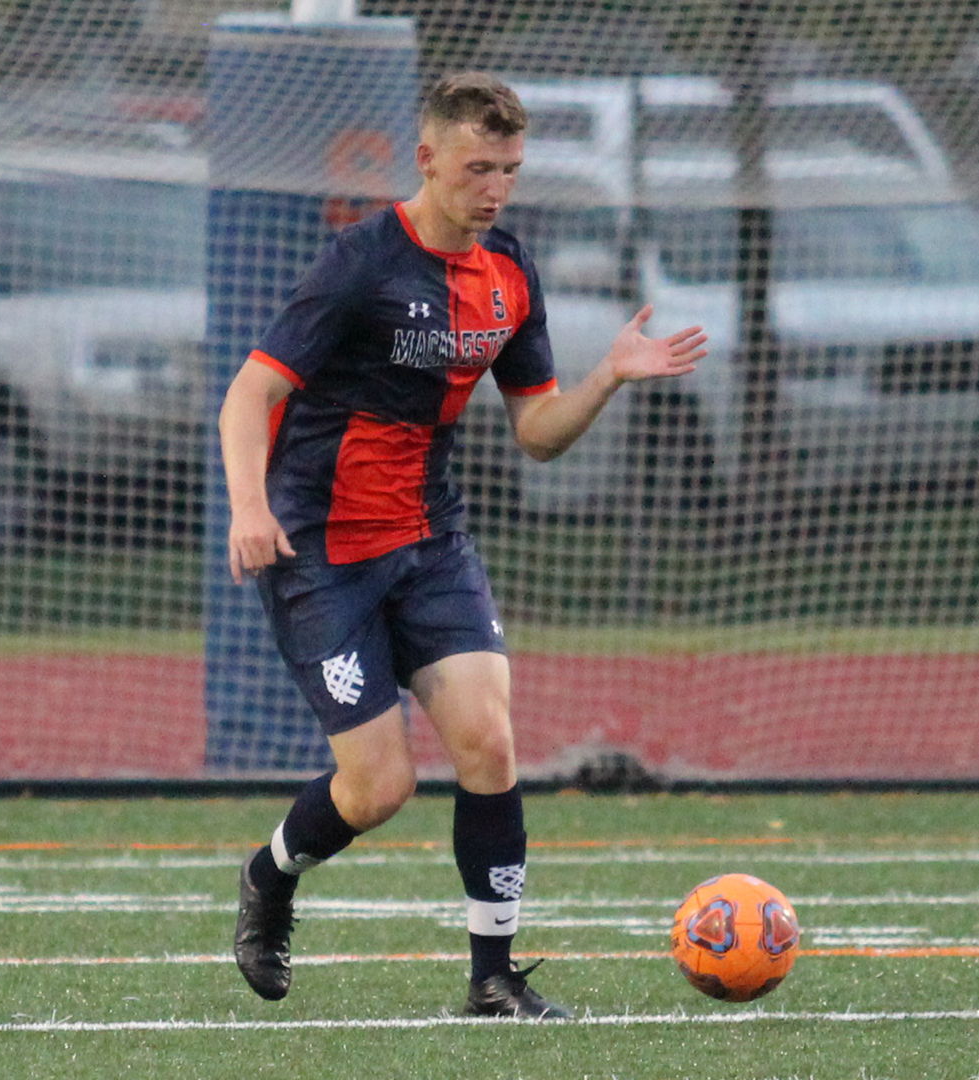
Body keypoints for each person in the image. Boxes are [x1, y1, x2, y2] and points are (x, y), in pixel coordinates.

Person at [219, 71, 707, 1019]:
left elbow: (536, 432)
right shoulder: (360, 262)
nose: (494, 188)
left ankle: (492, 977)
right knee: (379, 787)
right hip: (321, 553)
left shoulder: (510, 271)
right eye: (478, 167)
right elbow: (250, 394)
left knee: (488, 741)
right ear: (429, 159)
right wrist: (249, 506)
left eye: (511, 170)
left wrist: (607, 375)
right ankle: (271, 875)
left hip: (431, 541)